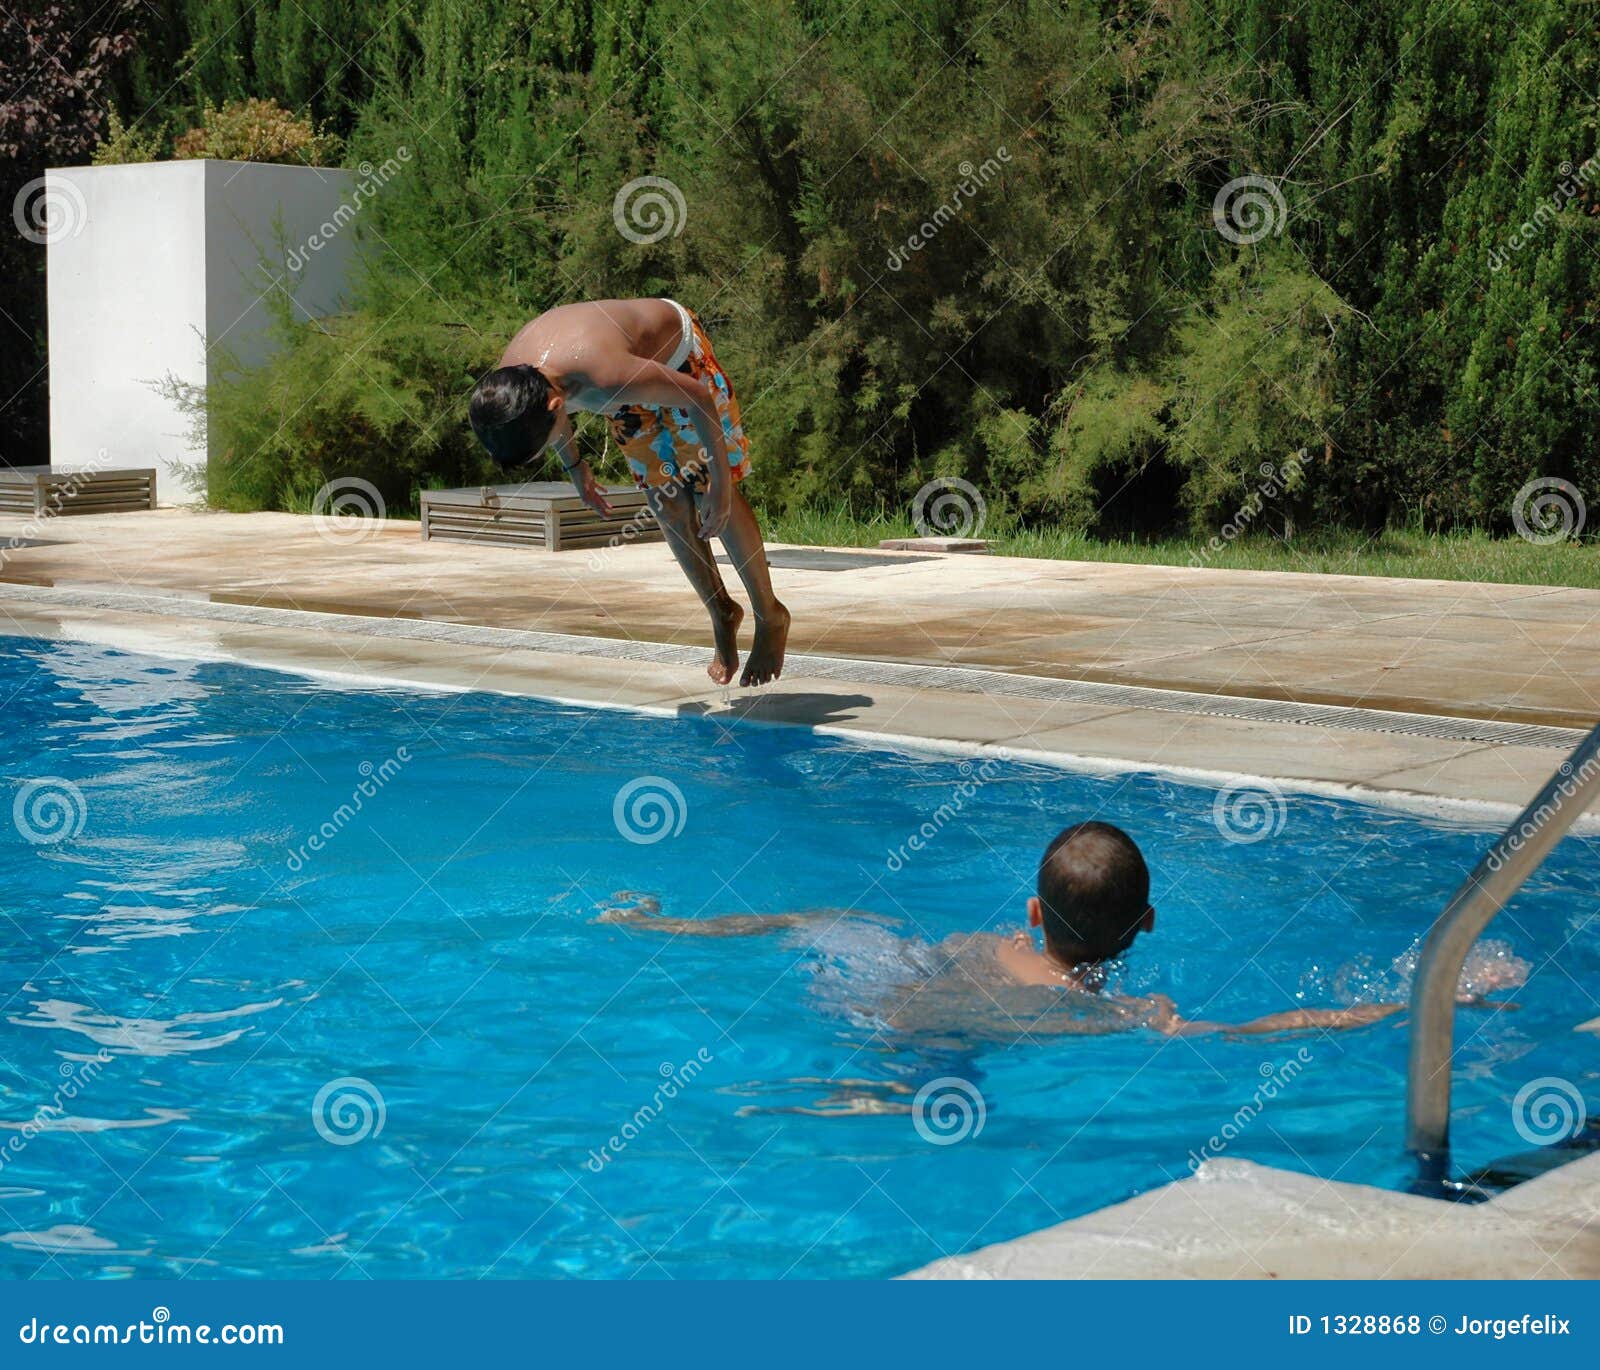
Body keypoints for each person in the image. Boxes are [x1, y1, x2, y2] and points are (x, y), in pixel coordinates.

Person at [596, 821, 1514, 1038]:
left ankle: (655, 929)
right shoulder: (1115, 1013)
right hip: (943, 1035)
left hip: (888, 983)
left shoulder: (990, 941)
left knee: (830, 918)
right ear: (1148, 923)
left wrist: (666, 923)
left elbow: (800, 917)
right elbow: (1250, 1034)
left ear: (1031, 913)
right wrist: (1432, 994)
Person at [468, 298, 789, 688]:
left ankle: (769, 615)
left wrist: (721, 483)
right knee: (665, 502)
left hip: (680, 367)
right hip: (624, 390)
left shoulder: (606, 376)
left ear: (556, 404)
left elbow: (698, 398)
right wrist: (576, 469)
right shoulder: (512, 385)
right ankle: (721, 611)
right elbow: (549, 415)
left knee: (706, 492)